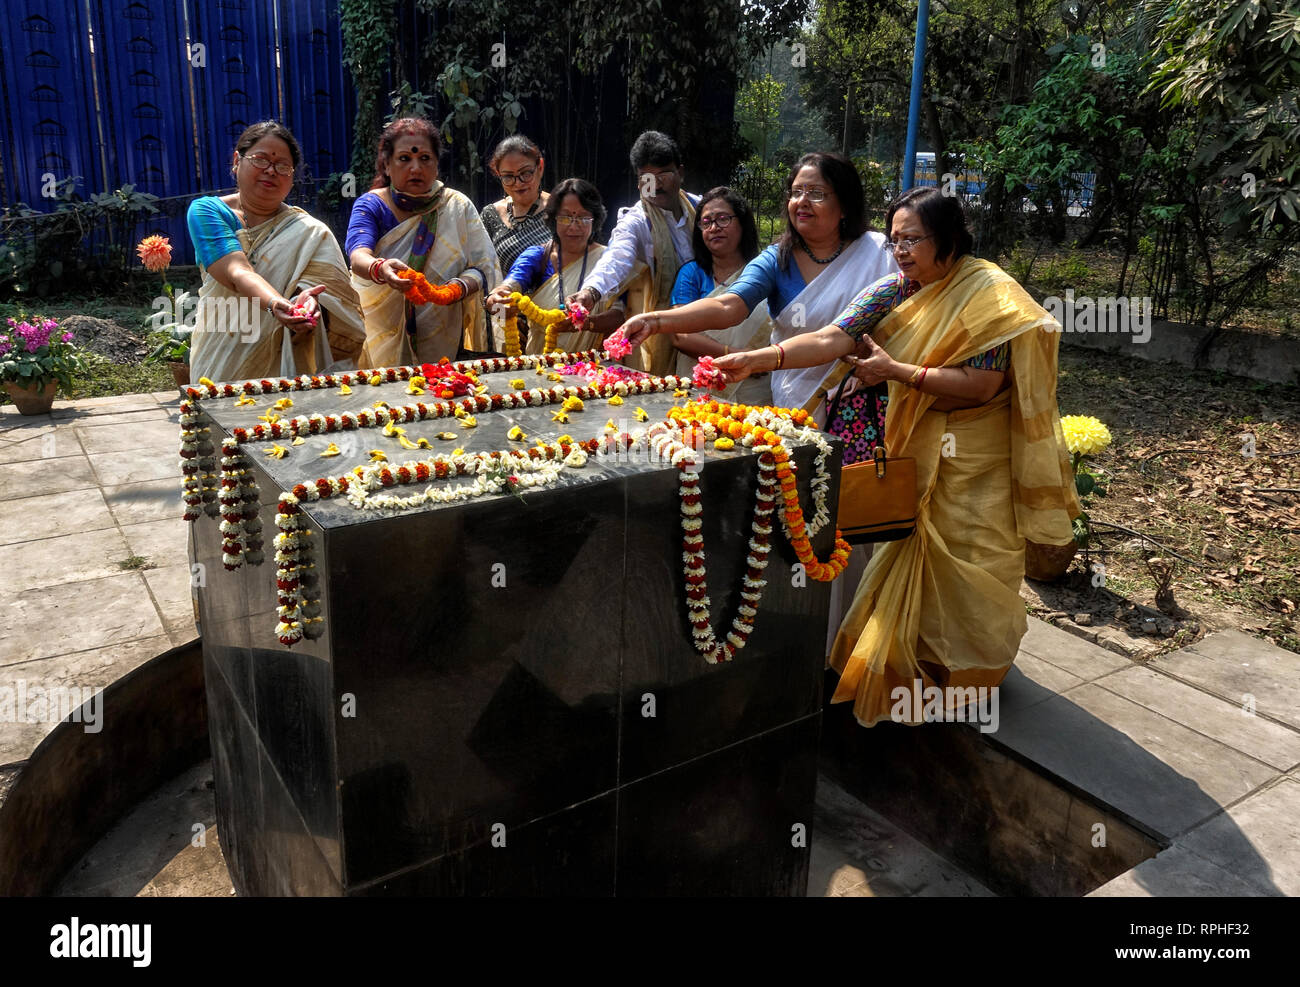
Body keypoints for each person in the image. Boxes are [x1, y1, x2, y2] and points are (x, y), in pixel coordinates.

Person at [715, 186, 1081, 727]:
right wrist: (760, 358)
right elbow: (834, 339)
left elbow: (980, 386)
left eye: (913, 240)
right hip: (914, 443)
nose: (902, 251)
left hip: (975, 458)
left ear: (950, 240)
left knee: (968, 561)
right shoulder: (893, 290)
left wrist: (897, 372)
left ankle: (964, 674)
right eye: (895, 240)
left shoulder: (990, 298)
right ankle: (903, 669)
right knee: (904, 556)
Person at [622, 151, 897, 420]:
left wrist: (872, 363)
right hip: (797, 401)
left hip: (865, 401)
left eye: (816, 193)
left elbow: (907, 319)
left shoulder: (879, 252)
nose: (802, 201)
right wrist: (655, 320)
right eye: (796, 192)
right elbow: (728, 305)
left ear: (845, 204)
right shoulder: (777, 259)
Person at [186, 121, 364, 383]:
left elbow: (333, 298)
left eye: (282, 166)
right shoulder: (207, 212)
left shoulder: (310, 231)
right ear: (237, 160)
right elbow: (236, 271)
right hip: (222, 351)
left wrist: (309, 304)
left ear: (292, 177)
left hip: (289, 357)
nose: (271, 171)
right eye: (260, 160)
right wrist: (274, 303)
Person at [344, 117, 498, 367]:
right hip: (381, 331)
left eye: (425, 158)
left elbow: (482, 267)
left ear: (436, 166)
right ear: (386, 165)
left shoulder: (456, 206)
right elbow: (358, 255)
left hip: (443, 332)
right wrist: (380, 268)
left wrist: (454, 289)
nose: (416, 168)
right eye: (405, 158)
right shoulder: (372, 205)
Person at [567, 130, 701, 373]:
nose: (656, 185)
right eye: (647, 178)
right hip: (660, 330)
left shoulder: (700, 208)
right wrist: (591, 291)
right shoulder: (637, 220)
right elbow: (617, 257)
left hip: (706, 321)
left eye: (663, 175)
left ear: (680, 172)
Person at [484, 178, 626, 353]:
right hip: (538, 366)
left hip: (592, 369)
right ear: (553, 219)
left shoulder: (609, 261)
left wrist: (586, 323)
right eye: (565, 218)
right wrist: (493, 302)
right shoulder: (538, 256)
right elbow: (508, 287)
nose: (574, 227)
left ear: (595, 220)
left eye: (583, 218)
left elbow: (621, 315)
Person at [667, 187, 772, 405]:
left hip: (756, 389)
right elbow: (679, 335)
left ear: (743, 223)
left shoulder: (765, 272)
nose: (714, 228)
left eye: (723, 219)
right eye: (706, 222)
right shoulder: (692, 274)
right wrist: (734, 356)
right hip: (701, 388)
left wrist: (754, 361)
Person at [479, 136, 552, 277]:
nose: (518, 183)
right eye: (508, 176)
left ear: (540, 167)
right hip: (507, 297)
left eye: (525, 173)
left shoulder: (560, 209)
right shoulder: (491, 215)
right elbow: (480, 266)